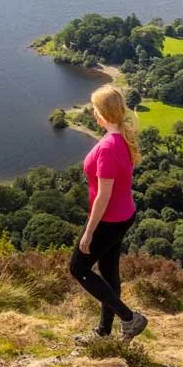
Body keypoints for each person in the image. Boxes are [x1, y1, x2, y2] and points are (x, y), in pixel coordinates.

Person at [69, 83, 147, 342]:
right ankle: (103, 332)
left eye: (94, 109)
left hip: (109, 220)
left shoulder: (108, 148)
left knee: (78, 268)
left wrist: (89, 232)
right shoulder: (122, 138)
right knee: (109, 273)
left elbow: (103, 196)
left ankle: (129, 318)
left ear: (101, 114)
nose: (92, 113)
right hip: (124, 215)